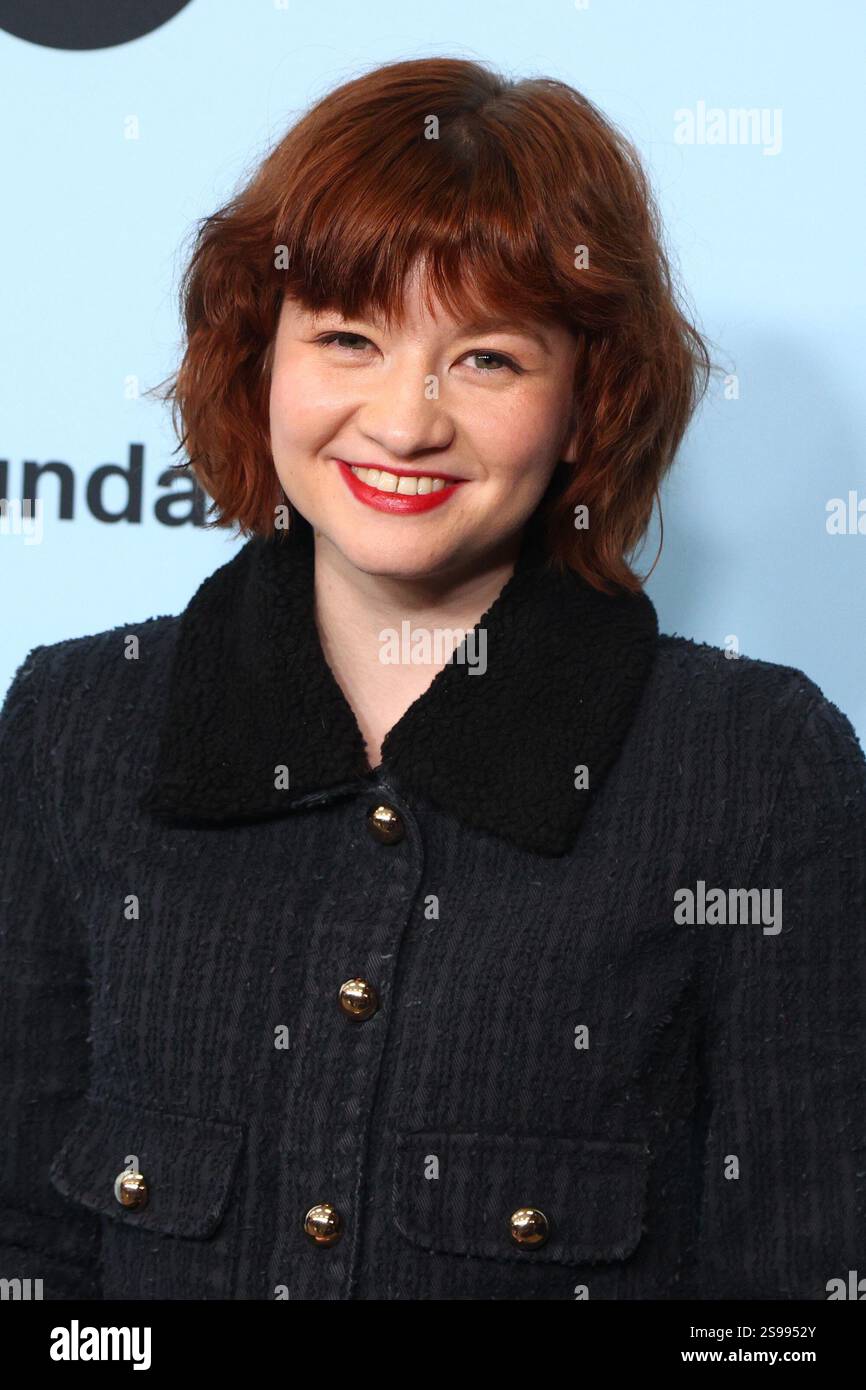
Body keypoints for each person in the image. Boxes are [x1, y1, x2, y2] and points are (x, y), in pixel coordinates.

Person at [1, 56, 864, 1302]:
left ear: (588, 397)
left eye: (486, 360)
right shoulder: (79, 724)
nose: (404, 422)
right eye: (347, 337)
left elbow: (800, 1292)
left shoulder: (752, 768)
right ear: (258, 361)